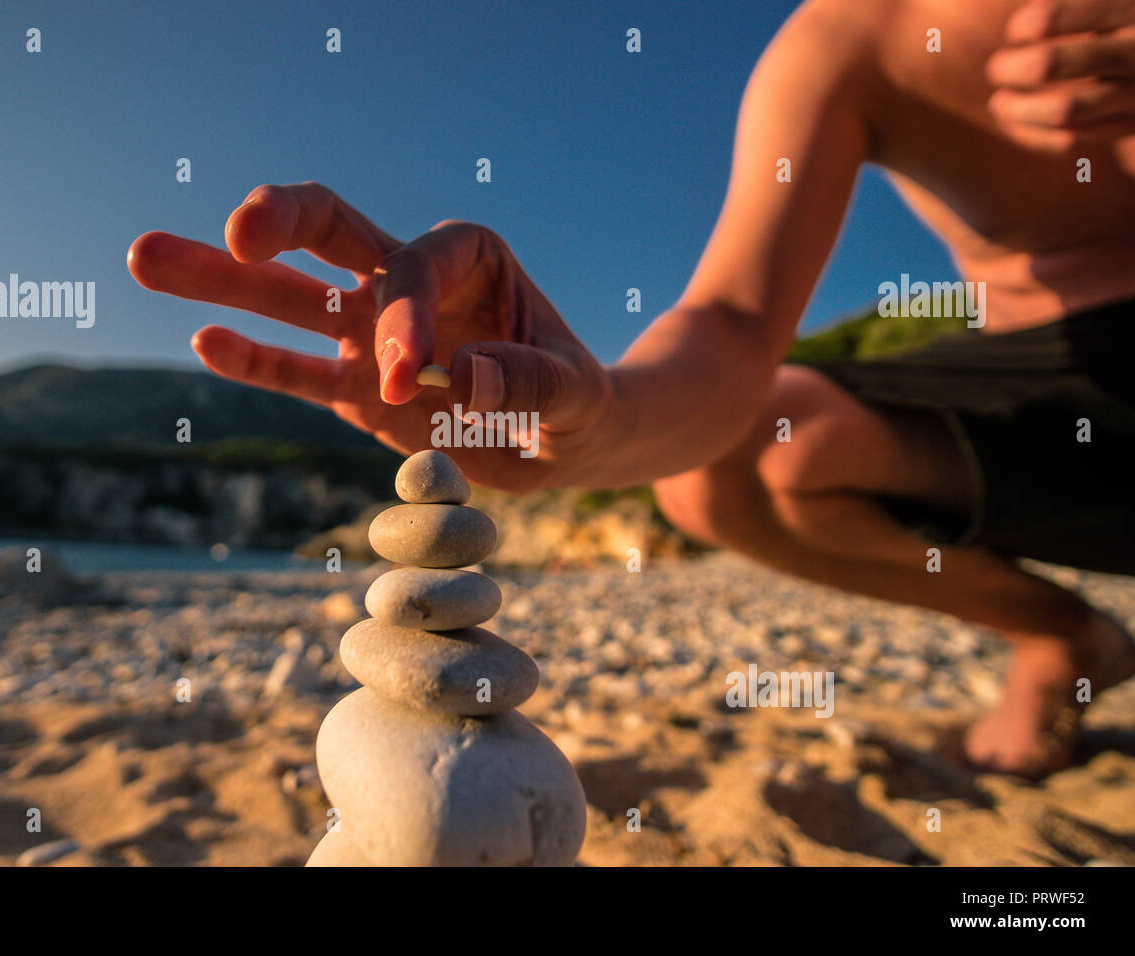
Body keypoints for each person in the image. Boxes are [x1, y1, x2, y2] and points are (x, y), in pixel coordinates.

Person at [128, 0, 1135, 778]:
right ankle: (1058, 631)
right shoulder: (850, 46)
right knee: (729, 460)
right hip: (1054, 394)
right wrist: (598, 422)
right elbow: (734, 326)